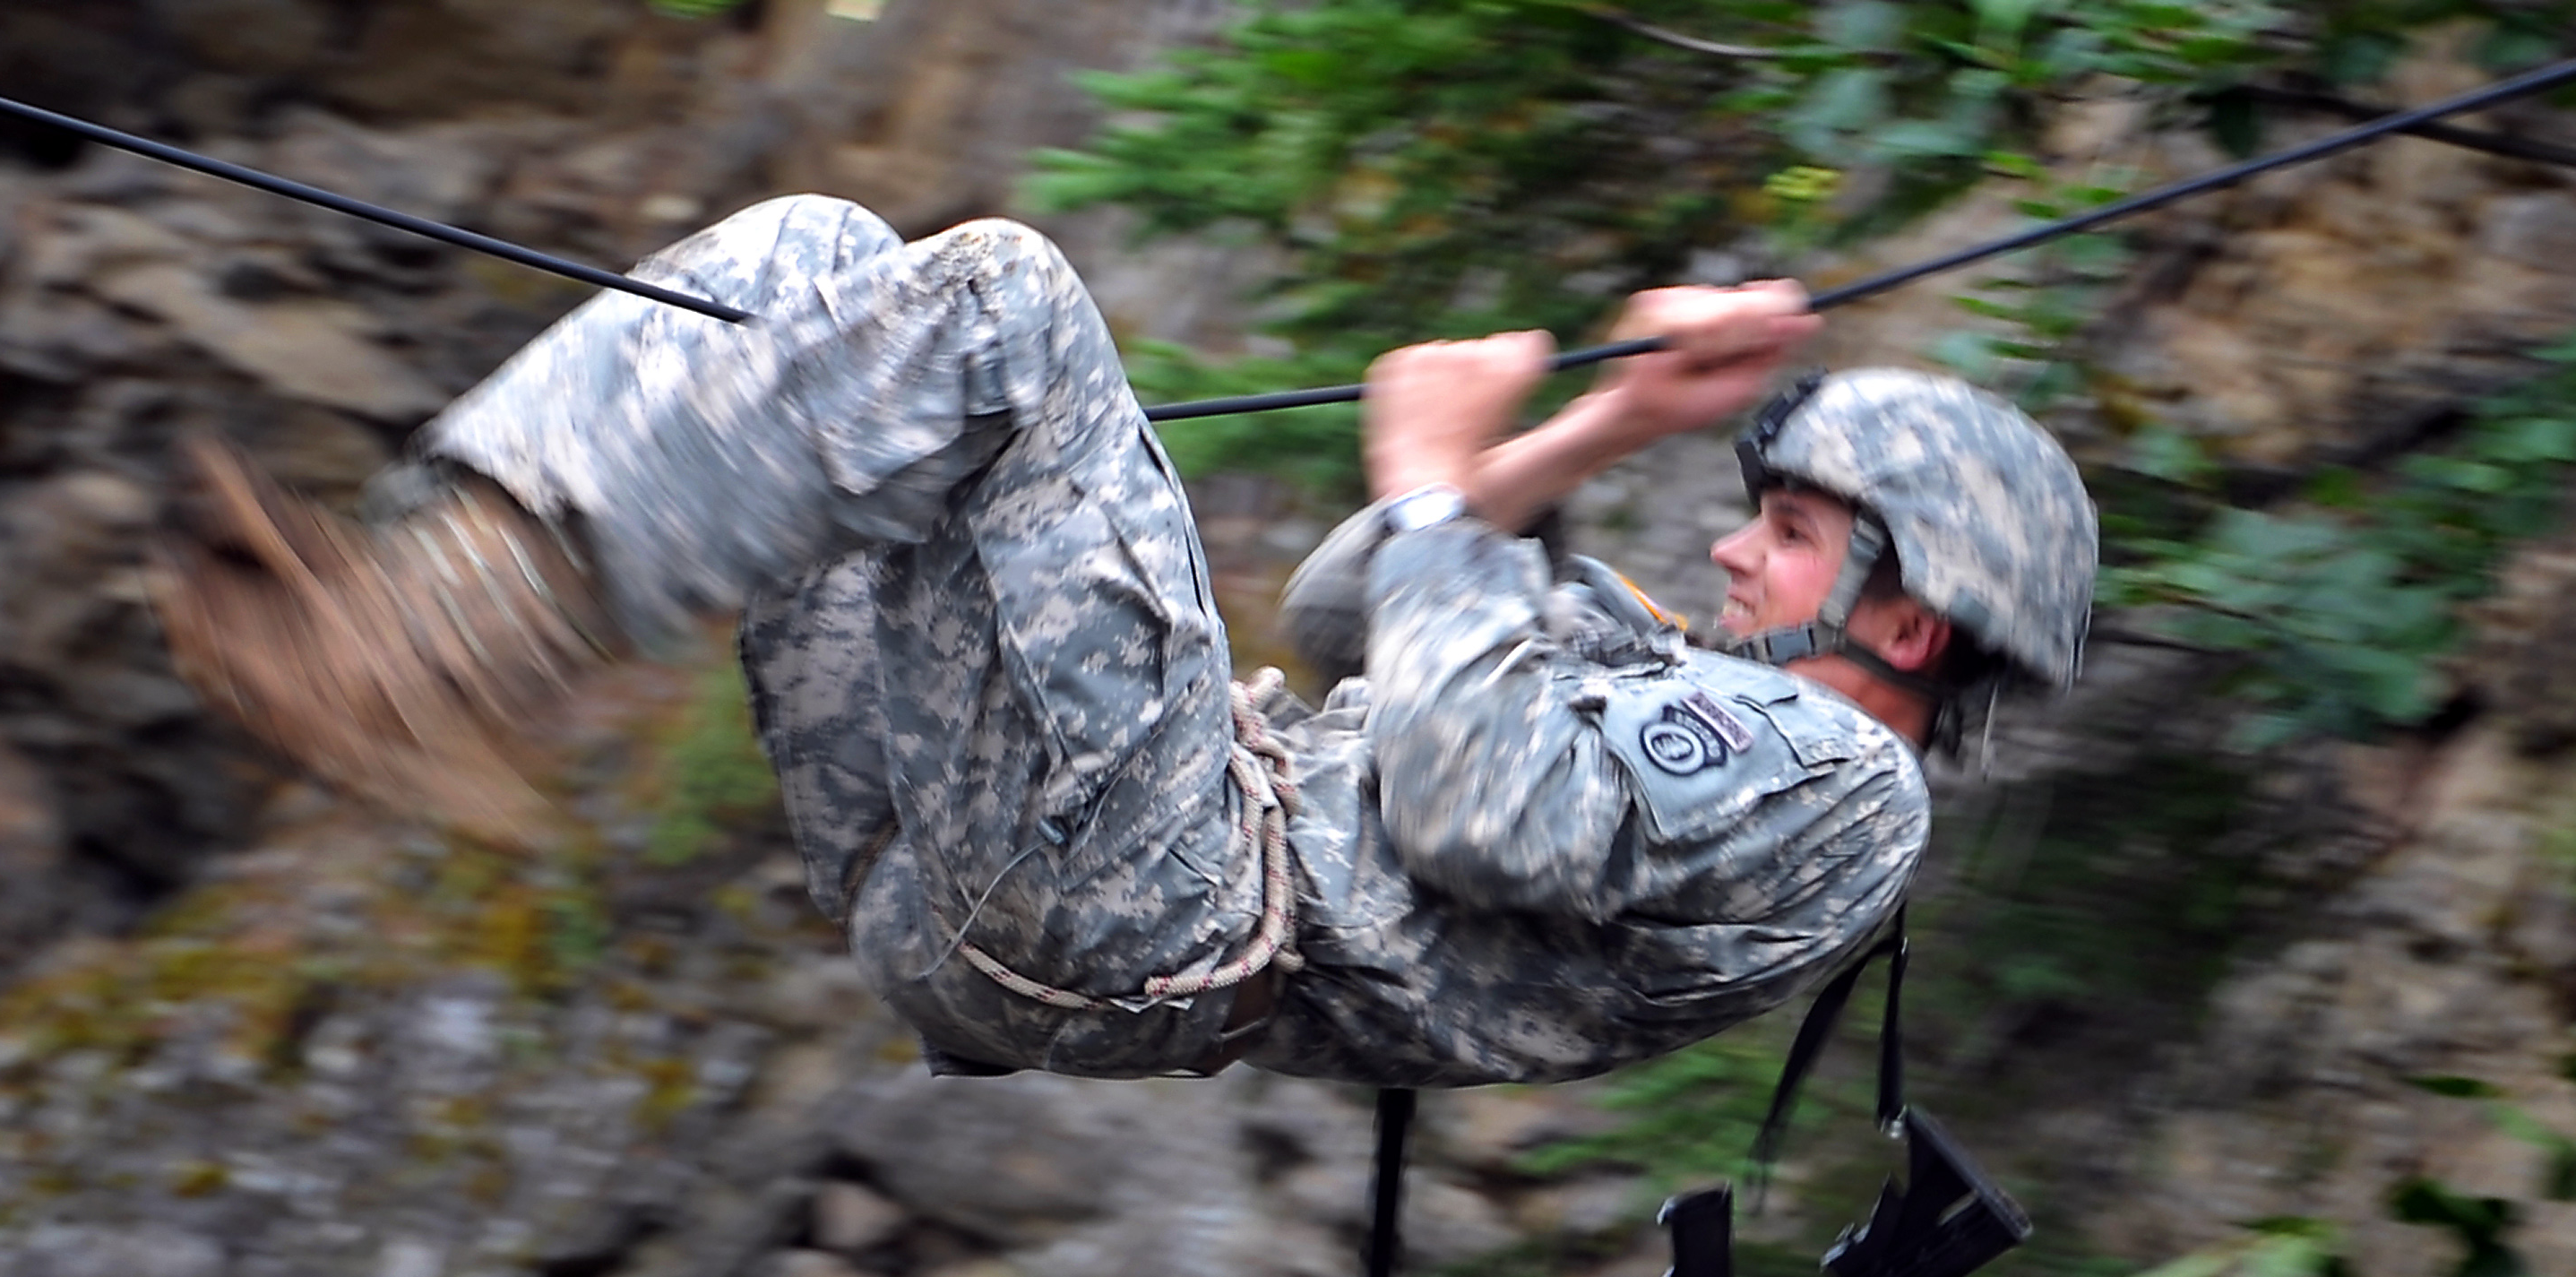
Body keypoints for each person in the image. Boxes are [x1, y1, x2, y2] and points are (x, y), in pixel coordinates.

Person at [157, 194, 2096, 1089]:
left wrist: (1440, 485)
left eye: (1785, 530)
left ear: (1905, 615)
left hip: (1154, 909)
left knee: (1007, 305)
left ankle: (421, 648)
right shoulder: (1693, 688)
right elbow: (1357, 613)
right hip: (999, 867)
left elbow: (1472, 788)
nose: (1732, 549)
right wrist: (1607, 425)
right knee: (810, 269)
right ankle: (435, 594)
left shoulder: (1843, 790)